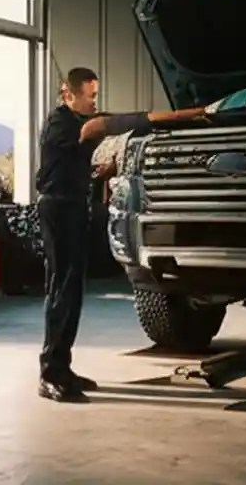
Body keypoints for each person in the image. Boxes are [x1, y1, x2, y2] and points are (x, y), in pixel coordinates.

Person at [35, 67, 207, 403]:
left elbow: (79, 153)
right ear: (68, 94)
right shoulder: (61, 121)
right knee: (61, 290)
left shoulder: (76, 126)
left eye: (96, 96)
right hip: (58, 210)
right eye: (89, 96)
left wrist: (101, 171)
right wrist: (178, 116)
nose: (93, 103)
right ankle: (50, 374)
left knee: (73, 291)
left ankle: (62, 366)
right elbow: (104, 124)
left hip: (74, 208)